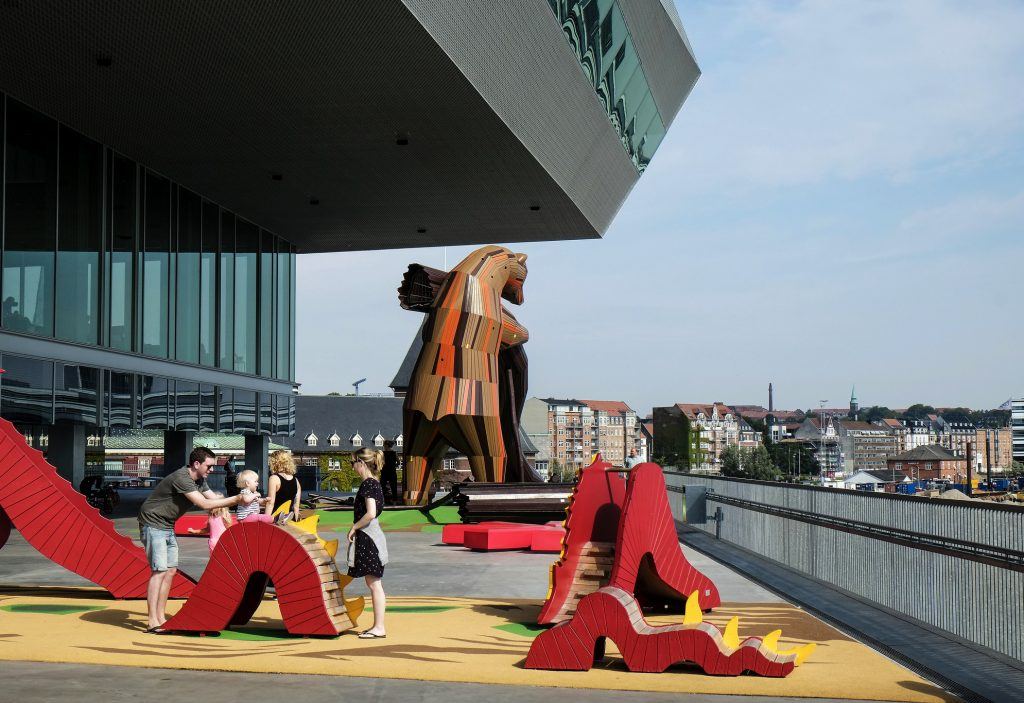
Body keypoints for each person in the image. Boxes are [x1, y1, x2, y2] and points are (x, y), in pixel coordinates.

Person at [137, 446, 240, 633]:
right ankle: (152, 621)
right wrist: (237, 499)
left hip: (167, 524)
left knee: (170, 571)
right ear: (197, 464)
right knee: (159, 571)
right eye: (209, 466)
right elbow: (205, 504)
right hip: (152, 523)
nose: (211, 470)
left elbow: (214, 499)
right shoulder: (182, 478)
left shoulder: (200, 480)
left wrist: (254, 500)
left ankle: (161, 617)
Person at [347, 447, 388, 639]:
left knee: (374, 583)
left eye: (353, 463)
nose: (352, 467)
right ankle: (378, 626)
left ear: (361, 463)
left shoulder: (368, 484)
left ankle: (379, 627)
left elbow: (370, 513)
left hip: (369, 538)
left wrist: (354, 527)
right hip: (372, 537)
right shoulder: (374, 483)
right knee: (374, 583)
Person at [264, 450, 301, 521]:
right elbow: (296, 506)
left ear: (274, 463)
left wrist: (265, 520)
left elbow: (270, 503)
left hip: (276, 518)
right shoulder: (296, 481)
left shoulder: (274, 478)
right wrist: (296, 522)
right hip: (289, 519)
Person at [381, 440, 399, 505]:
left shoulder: (382, 453)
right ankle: (394, 502)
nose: (383, 446)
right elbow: (398, 462)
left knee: (382, 486)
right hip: (392, 471)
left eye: (384, 445)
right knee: (393, 487)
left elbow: (380, 462)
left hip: (385, 472)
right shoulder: (394, 453)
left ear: (386, 445)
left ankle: (382, 501)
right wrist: (393, 466)